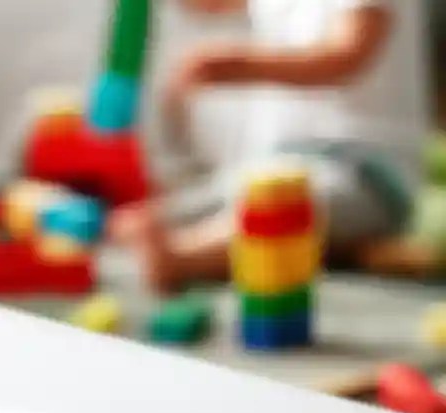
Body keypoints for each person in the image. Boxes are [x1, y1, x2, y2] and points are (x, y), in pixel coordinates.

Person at [112, 0, 434, 293]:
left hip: (363, 164)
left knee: (299, 205)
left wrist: (236, 65)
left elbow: (349, 53)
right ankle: (336, 246)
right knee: (171, 213)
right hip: (278, 162)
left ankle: (184, 258)